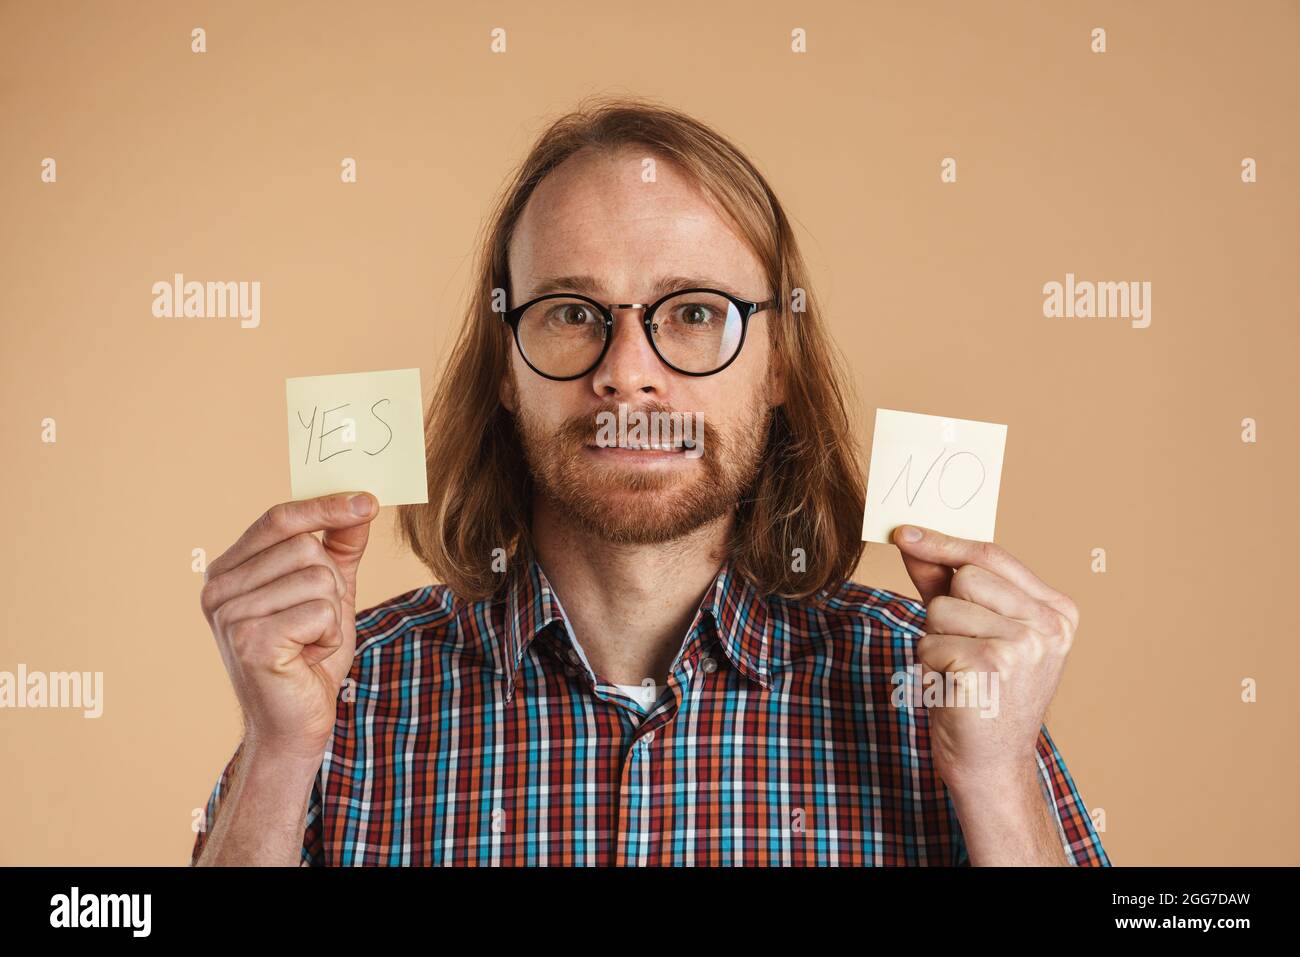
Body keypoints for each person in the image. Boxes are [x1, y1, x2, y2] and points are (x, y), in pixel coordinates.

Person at [191, 95, 1108, 866]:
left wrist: (994, 783)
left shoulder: (938, 692)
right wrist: (279, 754)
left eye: (696, 312)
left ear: (779, 361)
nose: (628, 371)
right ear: (506, 370)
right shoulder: (344, 701)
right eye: (572, 313)